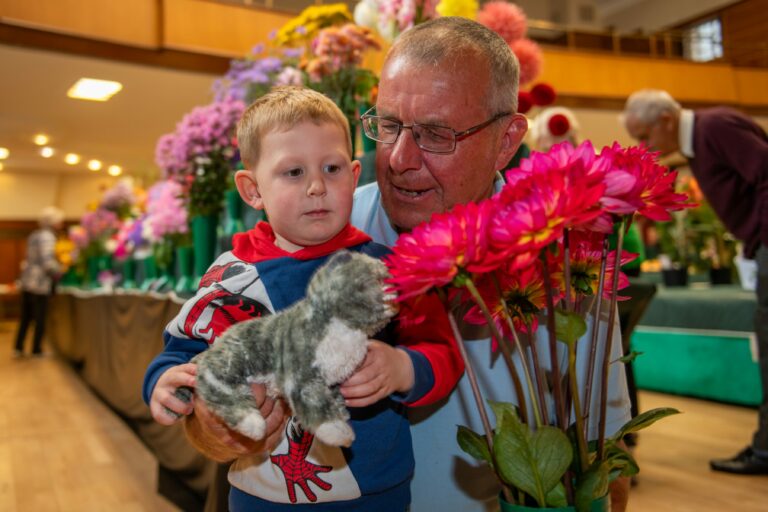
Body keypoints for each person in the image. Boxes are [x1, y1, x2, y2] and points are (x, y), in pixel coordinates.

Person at [352, 17, 631, 511]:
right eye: (389, 125)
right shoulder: (323, 233)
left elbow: (602, 460)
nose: (398, 158)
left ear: (506, 140)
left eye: (436, 134)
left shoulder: (563, 268)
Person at [143, 86, 463, 510]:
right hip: (261, 492)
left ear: (354, 176)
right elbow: (181, 352)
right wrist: (163, 384)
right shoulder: (230, 275)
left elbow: (443, 351)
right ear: (252, 189)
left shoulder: (386, 269)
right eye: (293, 172)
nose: (316, 186)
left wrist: (403, 368)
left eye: (331, 168)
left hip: (375, 491)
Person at [623, 88, 768, 475]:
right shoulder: (697, 142)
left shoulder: (715, 126)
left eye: (644, 136)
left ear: (665, 120)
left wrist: (763, 238)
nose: (643, 145)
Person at [13, 206, 63, 357]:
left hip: (27, 280)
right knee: (40, 317)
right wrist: (60, 273)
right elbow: (47, 262)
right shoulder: (48, 236)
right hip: (39, 283)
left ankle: (18, 347)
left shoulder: (34, 235)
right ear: (53, 222)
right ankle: (36, 349)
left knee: (26, 317)